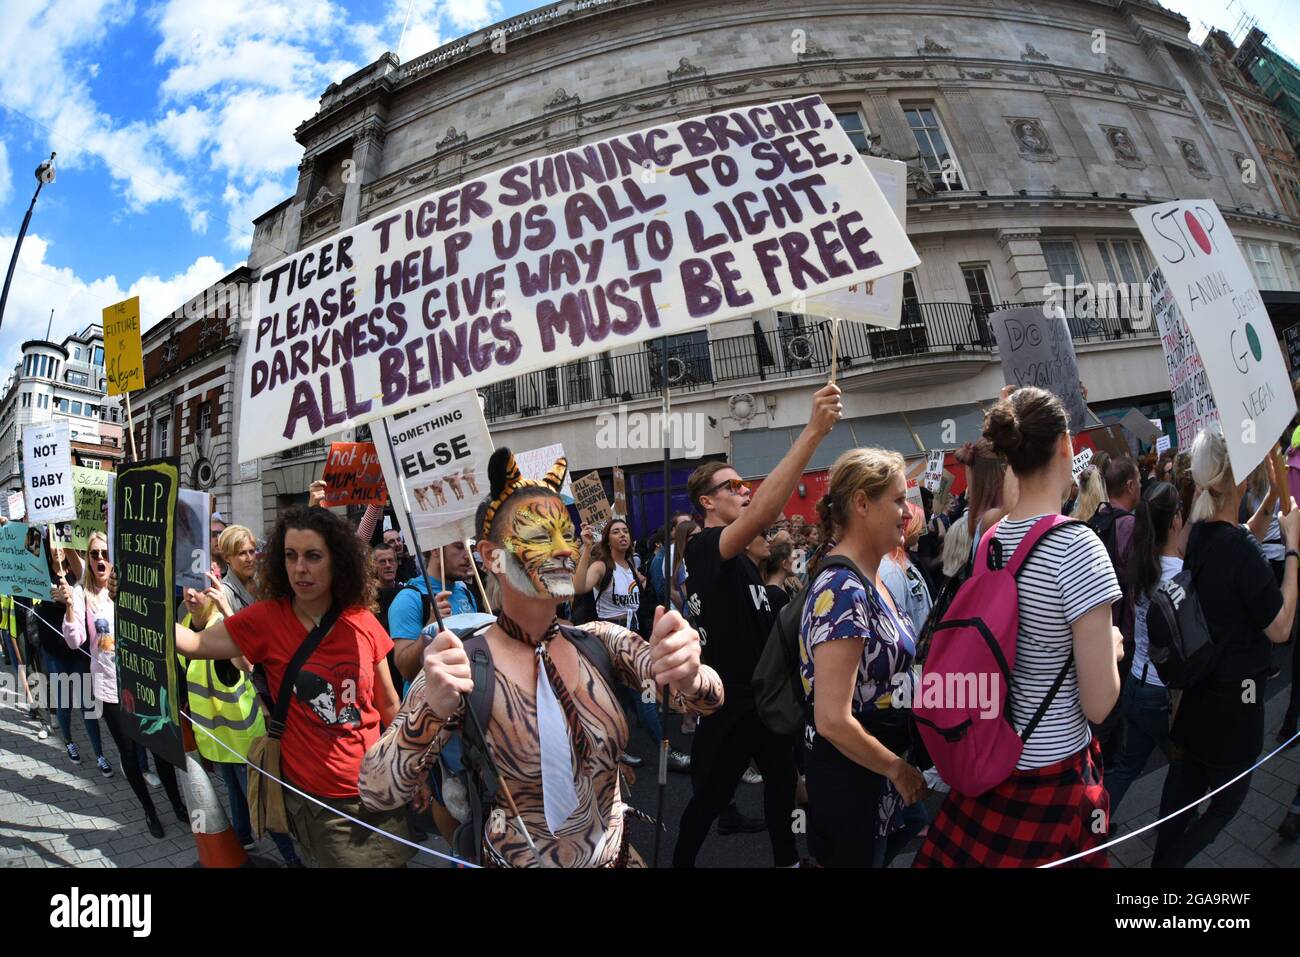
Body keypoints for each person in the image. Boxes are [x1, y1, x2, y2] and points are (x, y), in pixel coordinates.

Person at [358, 448, 723, 867]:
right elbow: (375, 790)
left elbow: (706, 701)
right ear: (491, 556)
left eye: (566, 533)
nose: (565, 550)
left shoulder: (601, 642)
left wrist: (690, 672)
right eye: (537, 536)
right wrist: (429, 714)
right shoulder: (465, 666)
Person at [915, 386, 1124, 868]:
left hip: (995, 755)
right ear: (1067, 445)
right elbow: (1098, 704)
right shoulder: (1079, 548)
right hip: (1051, 770)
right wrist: (1110, 649)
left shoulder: (990, 538)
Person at [175, 506, 415, 867]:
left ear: (338, 561)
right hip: (318, 803)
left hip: (378, 792)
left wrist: (411, 772)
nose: (300, 568)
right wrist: (136, 600)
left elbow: (390, 707)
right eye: (291, 555)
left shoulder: (362, 620)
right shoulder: (267, 619)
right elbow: (194, 645)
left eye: (313, 556)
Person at [673, 383, 842, 868]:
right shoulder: (708, 548)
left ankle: (787, 859)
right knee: (707, 800)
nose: (744, 490)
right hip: (729, 708)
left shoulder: (747, 563)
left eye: (744, 484)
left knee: (782, 786)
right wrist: (813, 431)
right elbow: (767, 509)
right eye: (732, 486)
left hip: (764, 702)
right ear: (707, 502)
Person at [1152, 430, 1299, 867]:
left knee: (1181, 793)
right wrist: (1293, 549)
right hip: (1238, 705)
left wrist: (1275, 494)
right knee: (1226, 803)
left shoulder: (1198, 534)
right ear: (1237, 480)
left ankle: (1163, 858)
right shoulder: (1237, 550)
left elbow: (1241, 538)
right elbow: (1281, 628)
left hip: (1197, 700)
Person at [798, 448, 927, 866]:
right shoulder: (844, 590)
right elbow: (832, 718)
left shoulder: (872, 579)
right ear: (861, 503)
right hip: (856, 784)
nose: (907, 511)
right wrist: (896, 769)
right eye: (897, 499)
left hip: (876, 778)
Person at [60, 531, 187, 839]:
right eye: (94, 555)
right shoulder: (81, 593)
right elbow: (74, 640)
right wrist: (69, 606)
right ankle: (149, 811)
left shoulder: (129, 585)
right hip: (108, 687)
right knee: (129, 755)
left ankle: (177, 805)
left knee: (160, 750)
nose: (100, 559)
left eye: (105, 553)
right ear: (87, 560)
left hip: (141, 680)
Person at [181, 583, 303, 866]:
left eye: (198, 588)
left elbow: (246, 665)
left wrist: (228, 612)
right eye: (186, 586)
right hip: (215, 738)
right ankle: (243, 841)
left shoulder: (222, 625)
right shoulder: (185, 624)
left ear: (211, 592)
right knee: (235, 797)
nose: (190, 594)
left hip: (241, 739)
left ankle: (292, 859)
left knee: (261, 804)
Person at [575, 518, 688, 772]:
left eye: (625, 530)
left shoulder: (632, 565)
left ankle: (615, 749)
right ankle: (665, 752)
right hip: (610, 643)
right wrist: (585, 547)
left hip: (633, 638)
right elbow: (579, 586)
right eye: (615, 532)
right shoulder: (601, 567)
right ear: (608, 539)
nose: (622, 535)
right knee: (644, 697)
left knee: (622, 699)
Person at [1103, 480, 1182, 821]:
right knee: (1183, 764)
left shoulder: (1142, 565)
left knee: (1126, 767)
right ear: (1176, 520)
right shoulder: (1178, 574)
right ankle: (1175, 822)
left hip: (1136, 682)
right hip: (1159, 692)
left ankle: (1093, 827)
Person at [386, 545, 467, 683]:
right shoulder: (408, 598)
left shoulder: (465, 593)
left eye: (468, 548)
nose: (467, 555)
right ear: (435, 549)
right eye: (459, 547)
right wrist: (431, 625)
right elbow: (406, 670)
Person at [879, 501, 933, 638]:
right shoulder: (890, 570)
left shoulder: (902, 561)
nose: (921, 530)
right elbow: (895, 629)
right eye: (918, 523)